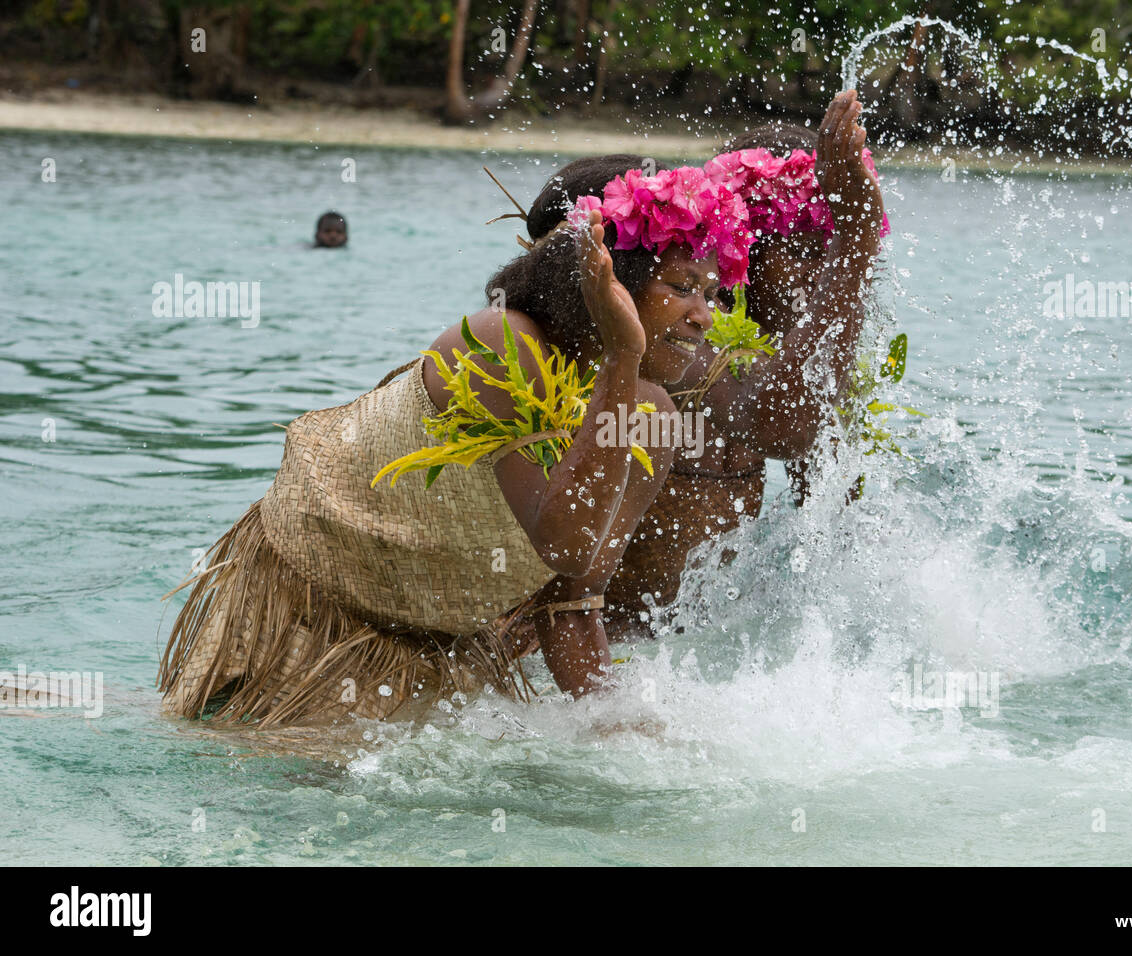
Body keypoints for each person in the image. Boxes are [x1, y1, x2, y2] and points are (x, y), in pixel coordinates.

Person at [159, 161, 754, 725]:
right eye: (681, 286)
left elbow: (571, 600)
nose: (704, 315)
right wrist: (623, 356)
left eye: (710, 291)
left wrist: (620, 733)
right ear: (603, 280)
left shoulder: (651, 414)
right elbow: (565, 543)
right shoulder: (501, 344)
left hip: (440, 643)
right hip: (313, 598)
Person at [601, 90, 890, 635]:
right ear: (740, 247)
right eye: (801, 251)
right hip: (599, 655)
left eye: (826, 256)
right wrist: (853, 243)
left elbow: (835, 526)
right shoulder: (673, 343)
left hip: (679, 653)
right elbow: (780, 428)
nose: (820, 275)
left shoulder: (781, 360)